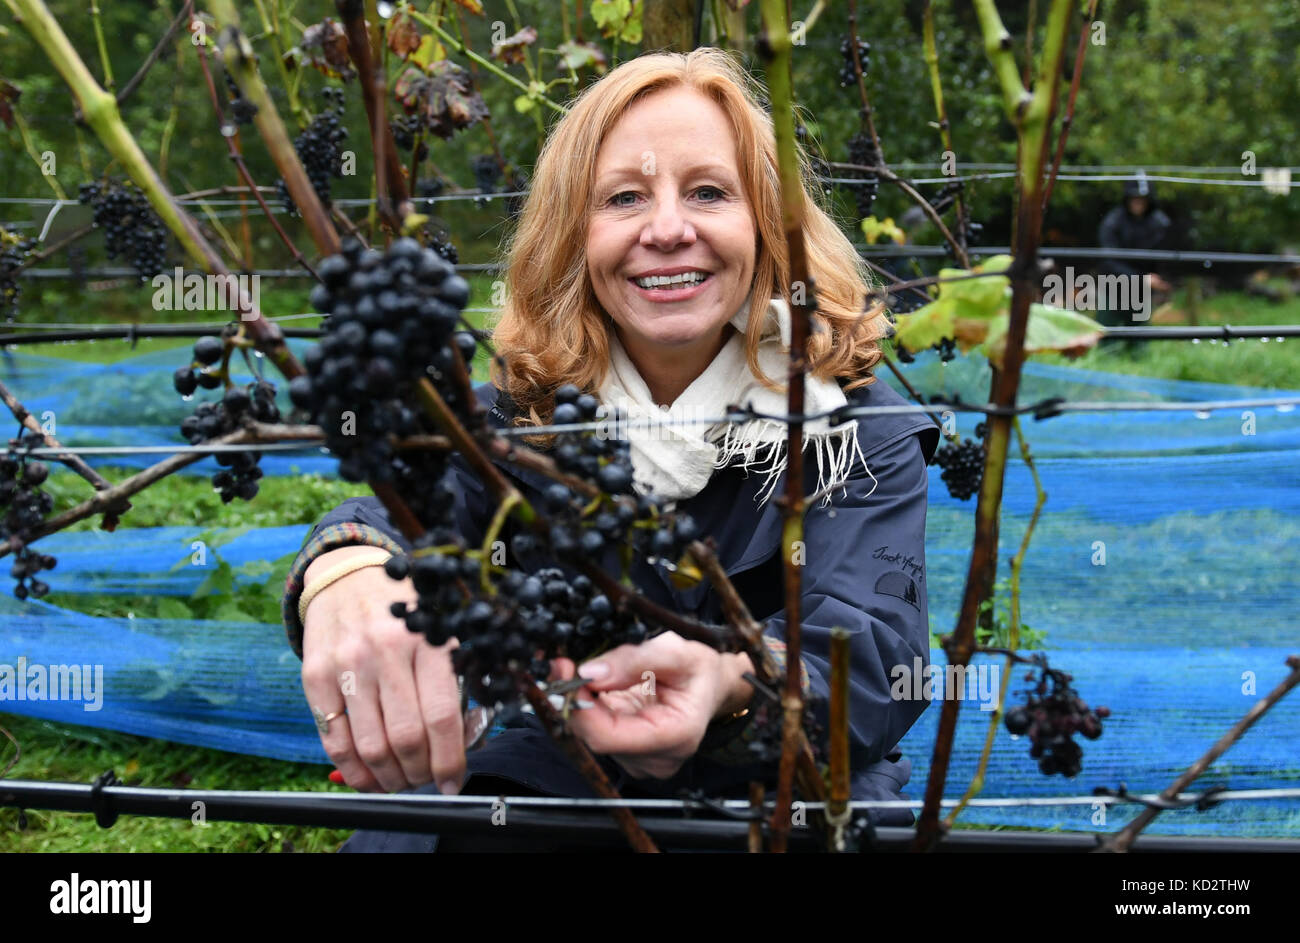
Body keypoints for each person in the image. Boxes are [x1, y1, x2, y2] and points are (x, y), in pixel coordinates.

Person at [281, 47, 940, 852]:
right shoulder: (524, 417)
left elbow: (873, 649)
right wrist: (344, 569)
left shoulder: (853, 423)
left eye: (708, 191)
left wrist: (735, 676)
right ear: (573, 234)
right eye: (624, 197)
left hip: (786, 790)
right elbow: (408, 503)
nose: (667, 229)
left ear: (770, 223)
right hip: (552, 775)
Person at [1096, 171, 1172, 327]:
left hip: (1142, 293)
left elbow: (1166, 256)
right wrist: (1141, 278)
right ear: (1127, 199)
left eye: (1142, 199)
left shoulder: (1160, 223)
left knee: (1139, 341)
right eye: (1134, 198)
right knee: (1107, 340)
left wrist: (1162, 278)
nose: (1138, 203)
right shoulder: (1112, 222)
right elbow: (1108, 261)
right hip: (1114, 288)